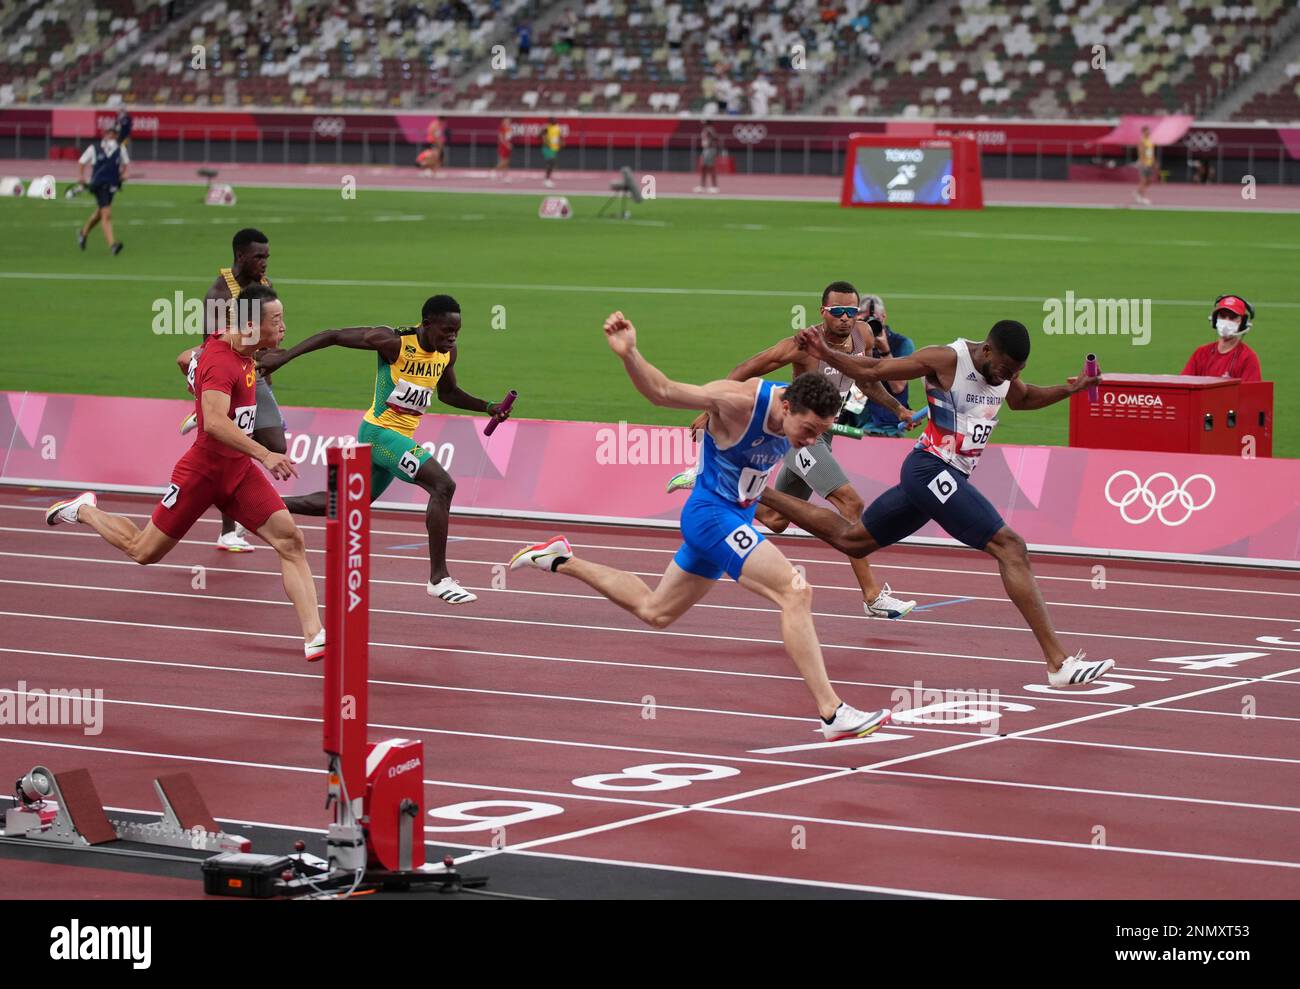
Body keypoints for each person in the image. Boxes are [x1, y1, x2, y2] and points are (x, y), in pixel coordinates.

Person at [509, 311, 893, 743]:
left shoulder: (801, 420)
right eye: (806, 430)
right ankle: (831, 712)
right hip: (712, 516)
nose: (807, 441)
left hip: (734, 518)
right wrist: (630, 353)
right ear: (787, 405)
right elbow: (664, 392)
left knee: (656, 611)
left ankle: (562, 559)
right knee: (795, 591)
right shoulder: (737, 403)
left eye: (819, 433)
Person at [761, 320, 1114, 687]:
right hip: (929, 469)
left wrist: (1072, 389)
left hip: (945, 477)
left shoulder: (1002, 372)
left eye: (1016, 373)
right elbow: (875, 369)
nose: (1006, 378)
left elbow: (1023, 399)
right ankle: (1058, 663)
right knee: (1010, 546)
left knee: (854, 540)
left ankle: (761, 493)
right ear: (988, 351)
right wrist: (826, 353)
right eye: (1006, 370)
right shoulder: (946, 359)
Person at [45, 286, 326, 661]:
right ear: (249, 324)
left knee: (291, 541)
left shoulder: (237, 350)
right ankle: (83, 510)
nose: (284, 327)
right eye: (276, 321)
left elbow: (183, 360)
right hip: (202, 473)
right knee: (143, 552)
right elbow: (213, 422)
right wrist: (263, 452)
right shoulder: (221, 361)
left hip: (237, 473)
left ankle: (314, 635)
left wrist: (201, 396)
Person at [671, 282, 920, 620]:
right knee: (852, 504)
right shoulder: (803, 347)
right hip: (798, 436)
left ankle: (705, 482)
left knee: (776, 521)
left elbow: (865, 380)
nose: (845, 319)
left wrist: (897, 409)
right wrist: (709, 410)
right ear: (822, 312)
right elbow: (746, 369)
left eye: (851, 312)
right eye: (837, 313)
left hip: (823, 435)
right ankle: (873, 596)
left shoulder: (863, 335)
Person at [256, 295, 511, 606]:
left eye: (457, 331)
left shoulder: (447, 353)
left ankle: (262, 505)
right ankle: (438, 578)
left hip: (395, 437)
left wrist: (487, 407)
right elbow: (333, 336)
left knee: (345, 503)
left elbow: (449, 393)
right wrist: (284, 358)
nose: (452, 337)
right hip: (379, 434)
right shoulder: (393, 342)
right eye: (446, 331)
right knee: (443, 485)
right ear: (426, 324)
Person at [176, 228, 284, 551]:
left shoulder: (263, 287)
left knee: (277, 442)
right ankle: (227, 531)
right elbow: (212, 349)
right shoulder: (219, 295)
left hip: (254, 373)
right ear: (239, 257)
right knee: (233, 448)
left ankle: (201, 415)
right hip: (227, 376)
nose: (264, 263)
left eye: (267, 256)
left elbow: (268, 333)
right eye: (258, 257)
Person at [842, 294, 916, 435]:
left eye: (874, 321)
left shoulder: (901, 344)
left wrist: (885, 351)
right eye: (864, 321)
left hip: (889, 429)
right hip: (855, 426)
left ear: (883, 317)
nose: (870, 327)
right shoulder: (850, 342)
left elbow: (899, 386)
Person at [1182, 295, 1262, 382]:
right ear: (1215, 320)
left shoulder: (1248, 358)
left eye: (1232, 317)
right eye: (1222, 316)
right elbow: (1183, 386)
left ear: (1243, 323)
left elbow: (1251, 394)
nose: (1226, 321)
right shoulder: (1200, 354)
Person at [76, 123, 128, 255]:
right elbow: (82, 161)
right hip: (98, 185)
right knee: (106, 215)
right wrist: (81, 176)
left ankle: (83, 233)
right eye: (109, 132)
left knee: (100, 213)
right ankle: (113, 245)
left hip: (112, 186)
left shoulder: (120, 149)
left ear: (116, 135)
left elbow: (125, 165)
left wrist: (124, 174)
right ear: (105, 133)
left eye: (113, 133)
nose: (111, 135)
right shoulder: (94, 148)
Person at [695, 120, 720, 193]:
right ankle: (702, 185)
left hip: (710, 149)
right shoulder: (705, 130)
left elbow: (715, 138)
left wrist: (709, 143)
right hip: (706, 149)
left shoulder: (710, 129)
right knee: (703, 167)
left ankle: (714, 186)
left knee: (710, 167)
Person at [1134, 125, 1156, 205]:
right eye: (1146, 131)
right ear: (1143, 132)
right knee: (1143, 181)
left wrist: (1154, 162)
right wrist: (1143, 163)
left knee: (1149, 181)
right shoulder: (1142, 141)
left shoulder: (1150, 141)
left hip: (1150, 163)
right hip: (1144, 164)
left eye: (1149, 130)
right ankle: (1142, 197)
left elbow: (1151, 152)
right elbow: (1141, 153)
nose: (1148, 132)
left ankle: (1137, 192)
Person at [542, 116, 562, 188]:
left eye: (556, 120)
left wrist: (561, 141)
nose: (555, 121)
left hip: (554, 148)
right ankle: (547, 180)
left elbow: (559, 136)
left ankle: (548, 179)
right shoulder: (547, 128)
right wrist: (546, 140)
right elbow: (541, 135)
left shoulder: (557, 128)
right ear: (550, 121)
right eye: (554, 120)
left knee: (552, 164)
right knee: (550, 162)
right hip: (547, 148)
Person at [494, 117, 513, 181]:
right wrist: (506, 144)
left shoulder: (510, 128)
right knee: (504, 161)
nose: (508, 122)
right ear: (503, 121)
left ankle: (505, 176)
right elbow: (501, 138)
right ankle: (494, 171)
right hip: (503, 146)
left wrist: (509, 144)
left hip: (508, 146)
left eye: (509, 121)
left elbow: (509, 138)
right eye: (506, 121)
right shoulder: (502, 128)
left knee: (507, 162)